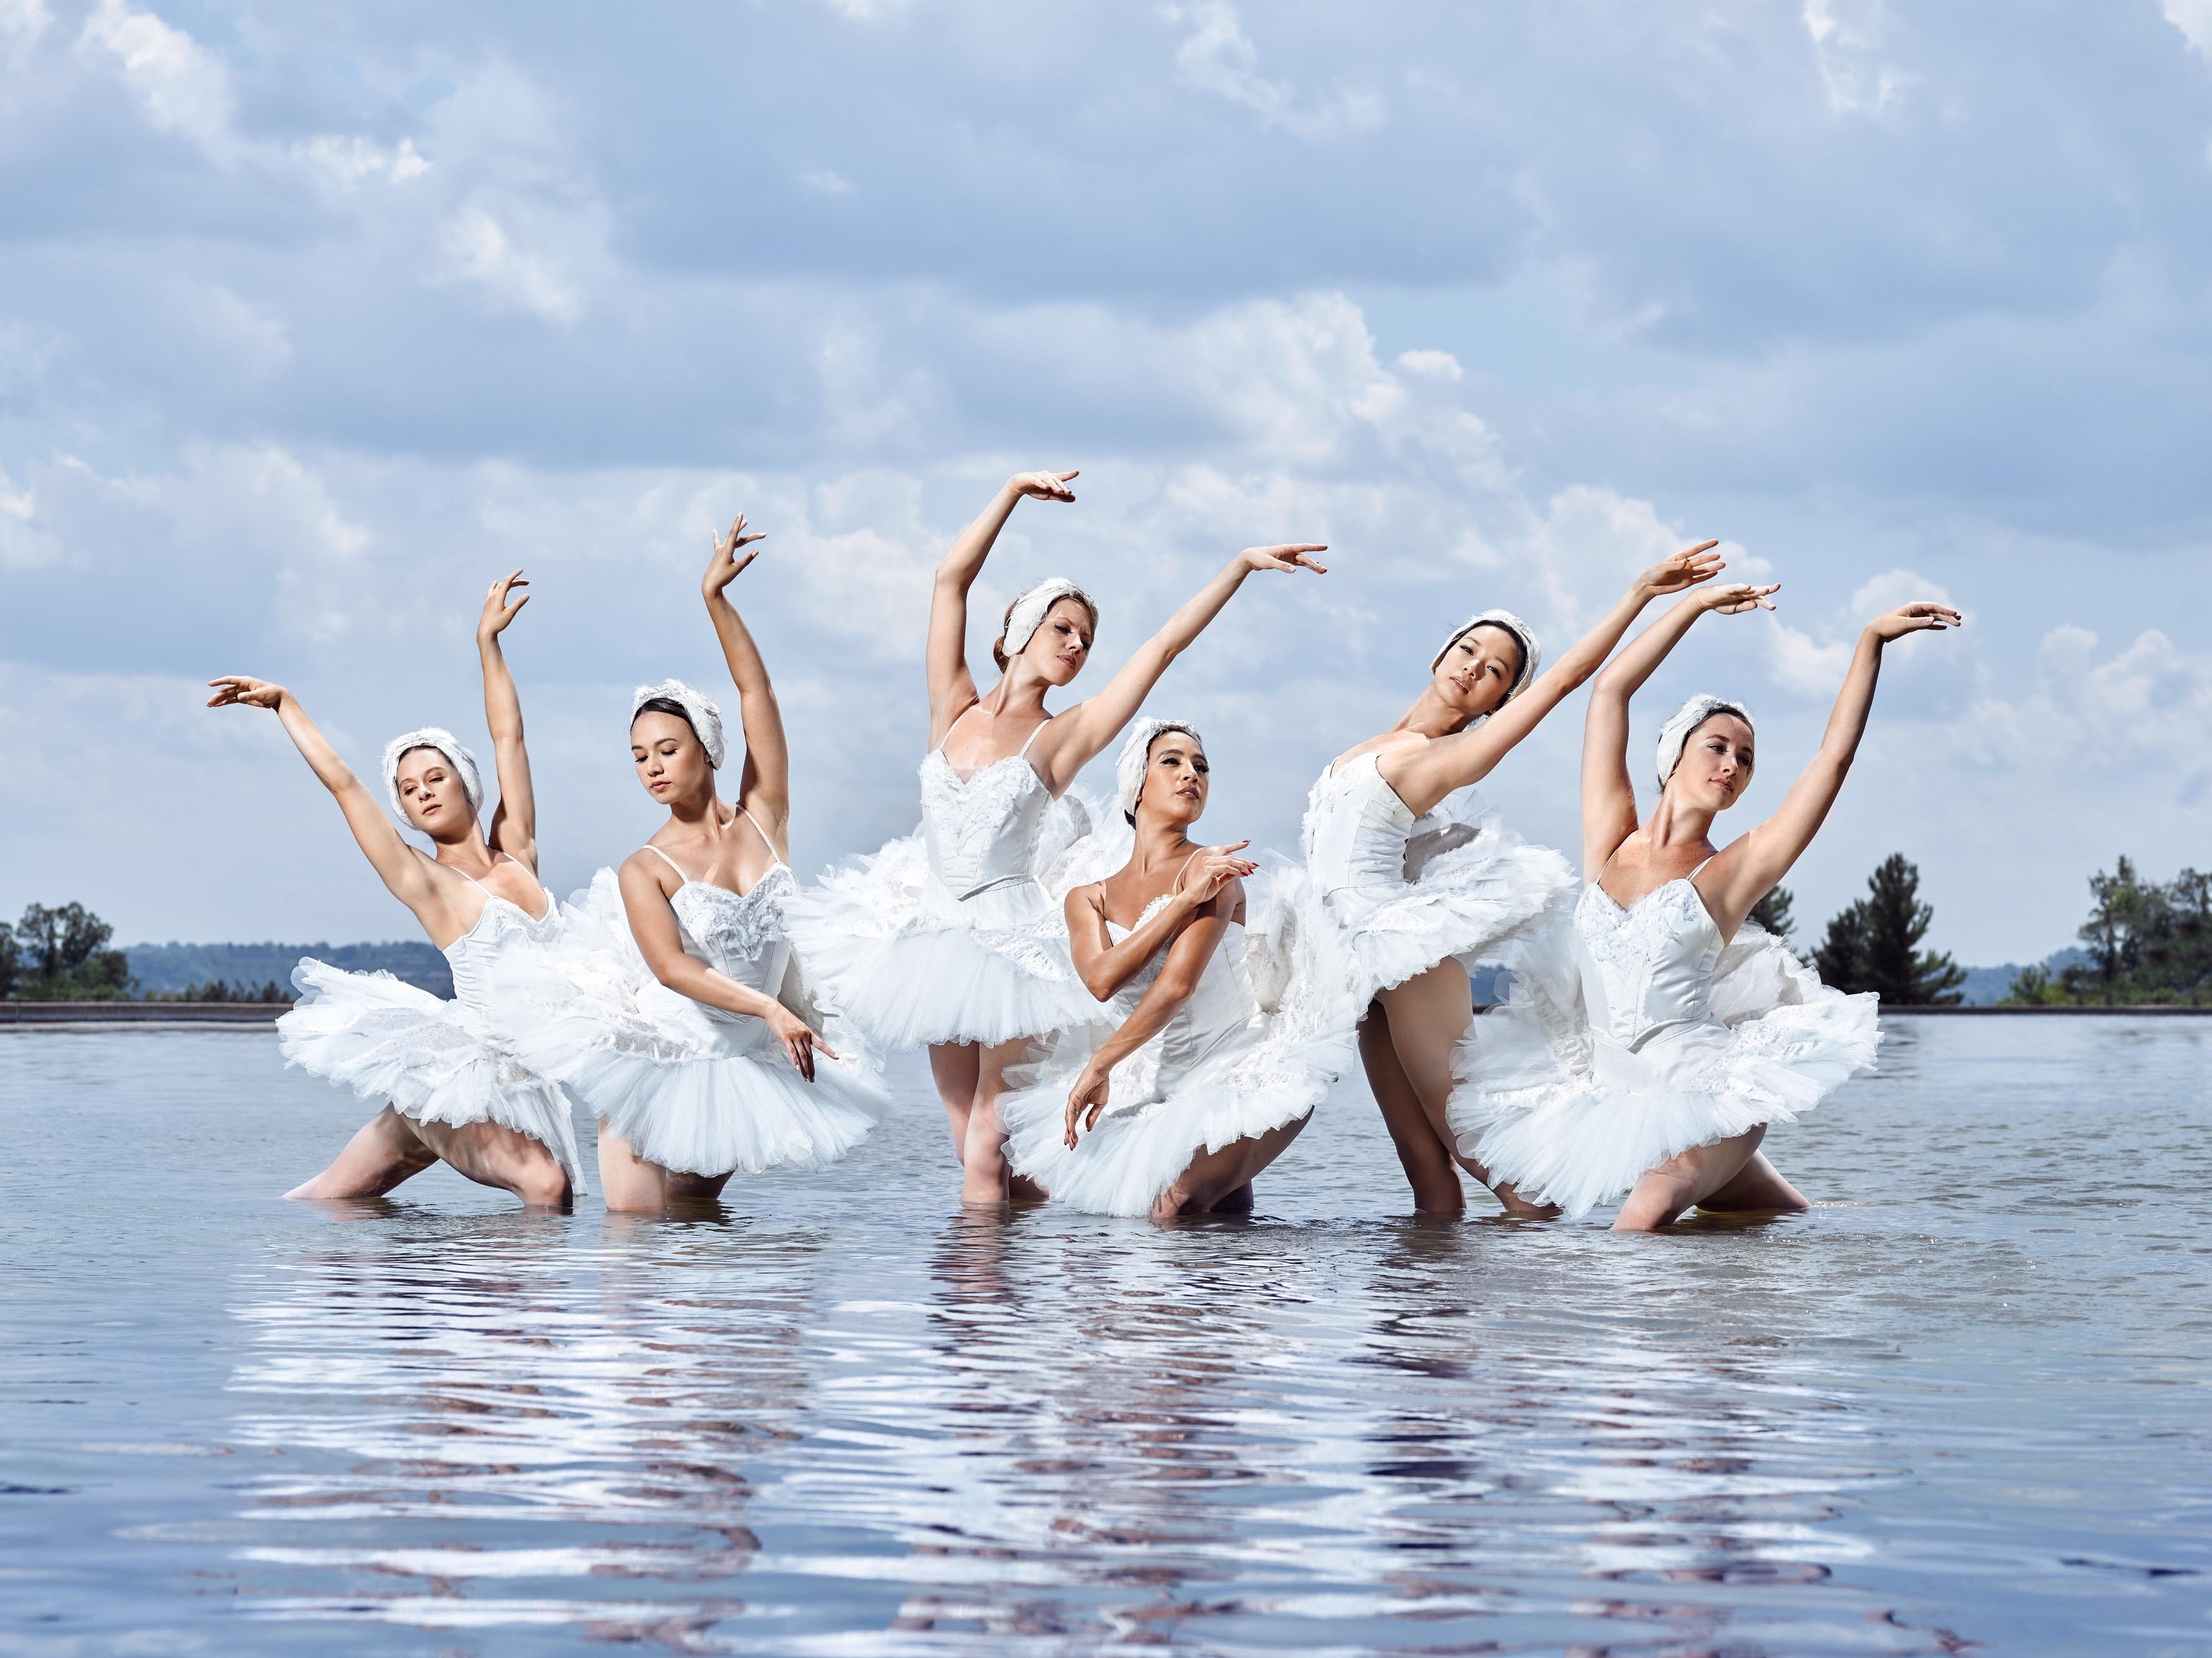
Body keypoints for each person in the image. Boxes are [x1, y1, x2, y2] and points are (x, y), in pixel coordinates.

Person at [787, 468, 1327, 1205]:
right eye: (1063, 629)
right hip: (931, 941)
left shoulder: (1061, 736)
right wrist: (1011, 492)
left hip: (1009, 945)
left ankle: (984, 1284)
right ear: (1019, 630)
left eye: (1086, 640)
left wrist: (1236, 568)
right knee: (975, 1149)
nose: (1076, 645)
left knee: (986, 1142)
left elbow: (1162, 647)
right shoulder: (951, 707)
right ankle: (1042, 1259)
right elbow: (949, 579)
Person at [1447, 588, 1960, 1230]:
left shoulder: (1729, 872)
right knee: (1791, 1221)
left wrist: (1869, 643)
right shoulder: (1608, 844)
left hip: (1705, 1094)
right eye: (1717, 746)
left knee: (1634, 1231)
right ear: (1674, 754)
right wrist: (1692, 607)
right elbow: (1609, 692)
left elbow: (1832, 760)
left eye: (1745, 758)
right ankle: (1916, 1226)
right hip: (1617, 1101)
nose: (1731, 765)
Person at [1292, 544, 1729, 1214]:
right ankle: (1429, 1282)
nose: (1473, 667)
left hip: (1402, 954)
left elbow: (1565, 680)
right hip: (1354, 961)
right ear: (1441, 654)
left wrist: (1643, 593)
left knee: (1478, 1146)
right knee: (1424, 1171)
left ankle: (1545, 1258)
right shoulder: (1378, 743)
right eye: (1468, 649)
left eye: (1495, 671)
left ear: (1500, 701)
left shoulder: (1443, 756)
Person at [509, 515, 888, 1213]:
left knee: (700, 1234)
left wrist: (715, 600)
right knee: (634, 1240)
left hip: (742, 1068)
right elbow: (671, 968)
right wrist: (771, 1008)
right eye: (639, 756)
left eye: (667, 749)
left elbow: (757, 697)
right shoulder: (644, 867)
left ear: (708, 749)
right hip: (658, 1061)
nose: (652, 767)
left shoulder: (764, 819)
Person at [206, 572, 583, 1206]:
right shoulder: (426, 881)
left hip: (516, 1080)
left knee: (331, 1198)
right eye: (409, 789)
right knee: (546, 1185)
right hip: (458, 1075)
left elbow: (509, 738)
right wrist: (285, 706)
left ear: (467, 782)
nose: (423, 792)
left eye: (435, 777)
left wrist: (488, 644)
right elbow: (346, 786)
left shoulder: (518, 850)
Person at [1002, 720, 1354, 1219]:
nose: (1192, 774)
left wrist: (1100, 1066)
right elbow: (1101, 980)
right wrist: (1183, 902)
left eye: (1201, 767)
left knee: (1173, 1209)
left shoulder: (1216, 872)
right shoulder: (1087, 898)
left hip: (1242, 1074)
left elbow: (1176, 987)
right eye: (1172, 762)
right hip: (1156, 1092)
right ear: (1136, 785)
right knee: (1222, 1227)